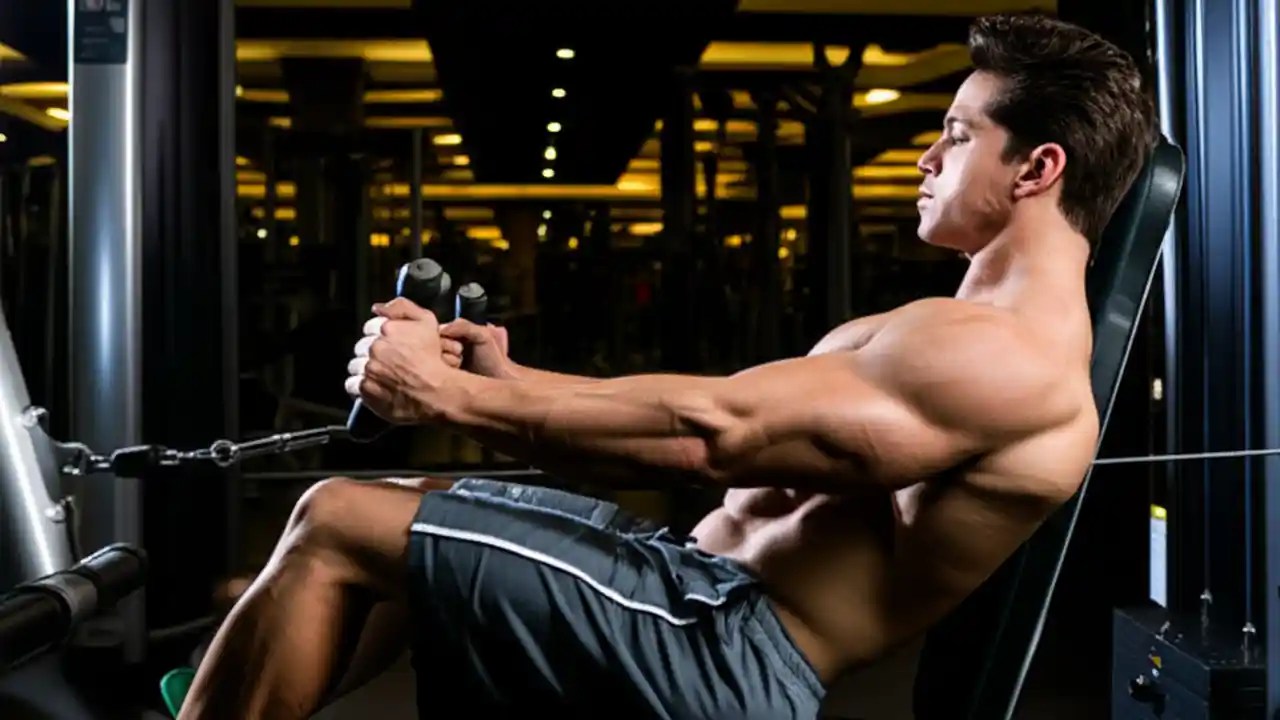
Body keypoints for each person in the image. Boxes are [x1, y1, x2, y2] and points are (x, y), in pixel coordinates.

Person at [179, 13, 1158, 719]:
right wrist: (506, 379)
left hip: (726, 653)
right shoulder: (945, 324)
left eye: (954, 135)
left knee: (335, 515)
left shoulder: (1004, 361)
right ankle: (245, 677)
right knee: (412, 498)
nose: (922, 158)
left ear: (1034, 170)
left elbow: (710, 441)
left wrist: (448, 393)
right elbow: (721, 402)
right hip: (689, 588)